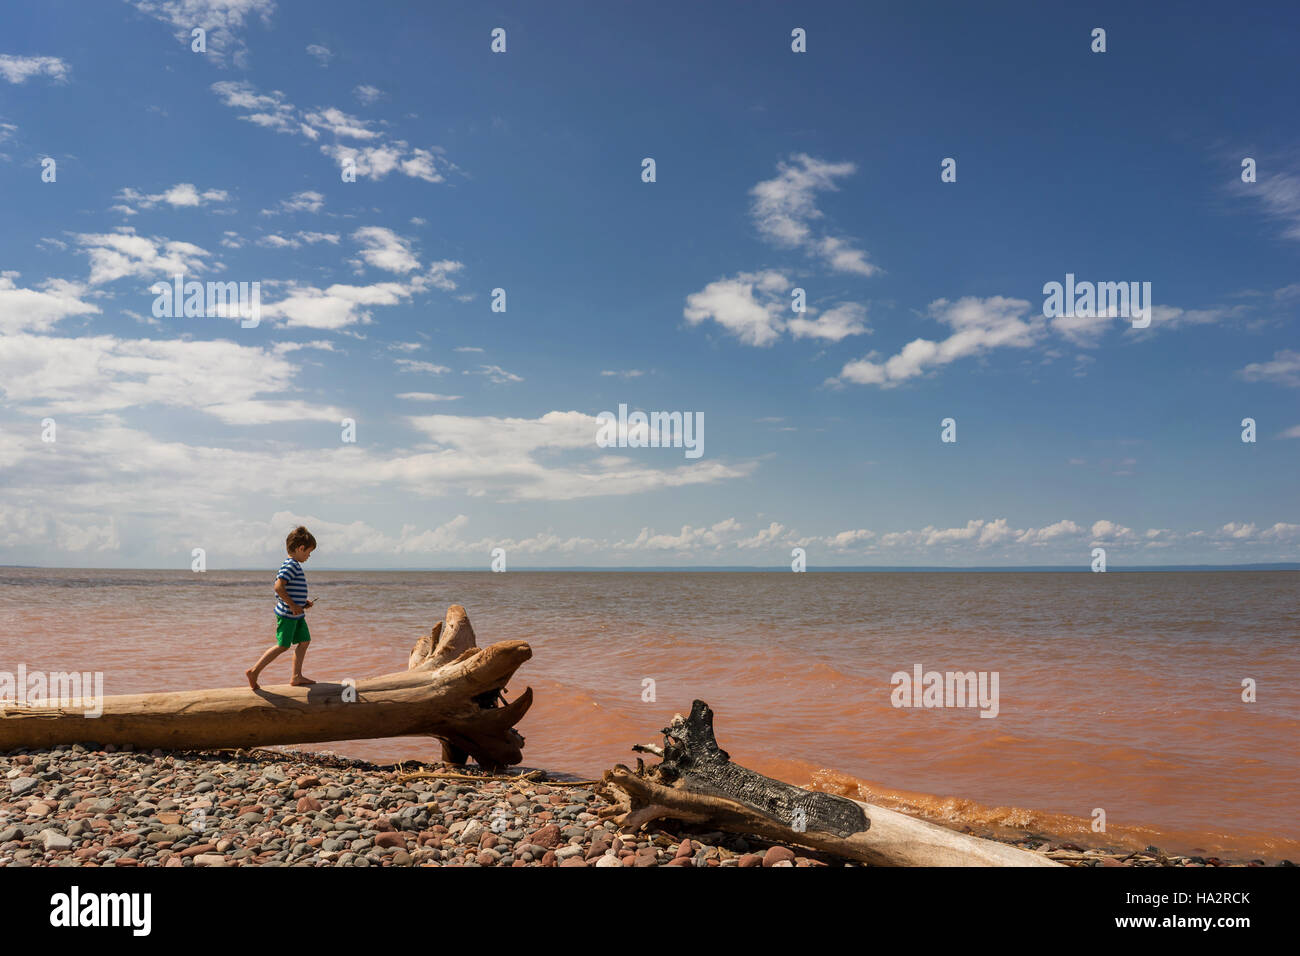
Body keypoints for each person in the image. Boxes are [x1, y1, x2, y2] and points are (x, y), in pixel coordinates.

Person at [246, 526, 317, 689]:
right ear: (300, 548)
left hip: (296, 614)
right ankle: (254, 672)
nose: (309, 556)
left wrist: (302, 603)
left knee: (304, 641)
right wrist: (292, 605)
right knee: (283, 645)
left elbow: (290, 589)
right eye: (308, 552)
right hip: (288, 614)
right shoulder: (290, 565)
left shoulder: (295, 565)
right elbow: (278, 587)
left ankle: (296, 676)